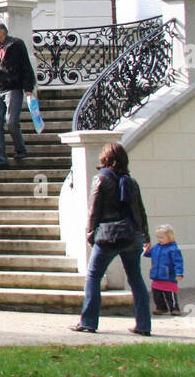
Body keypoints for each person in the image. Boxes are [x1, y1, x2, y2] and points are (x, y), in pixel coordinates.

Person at [72, 142, 153, 335]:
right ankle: (144, 324)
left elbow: (94, 210)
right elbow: (140, 211)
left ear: (105, 159)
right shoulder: (131, 182)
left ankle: (89, 321)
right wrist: (146, 236)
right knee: (136, 279)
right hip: (132, 236)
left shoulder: (100, 180)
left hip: (108, 236)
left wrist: (90, 234)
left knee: (93, 276)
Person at [0, 21, 36, 171]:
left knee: (12, 121)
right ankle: (0, 159)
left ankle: (20, 150)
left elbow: (26, 67)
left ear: (2, 31)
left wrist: (29, 88)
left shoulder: (16, 44)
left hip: (13, 87)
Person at [144, 224, 185, 316]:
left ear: (169, 237)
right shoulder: (156, 247)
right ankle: (161, 307)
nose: (159, 240)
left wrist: (179, 273)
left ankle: (174, 308)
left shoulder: (173, 249)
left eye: (162, 237)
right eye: (158, 237)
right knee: (156, 294)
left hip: (168, 276)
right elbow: (148, 254)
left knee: (170, 294)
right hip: (157, 275)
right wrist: (145, 250)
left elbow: (178, 262)